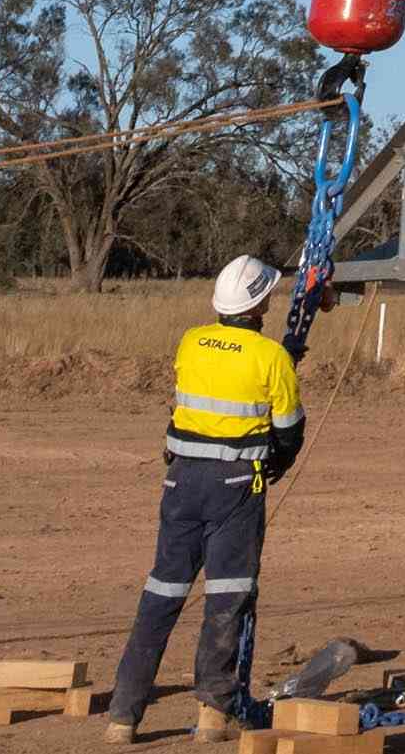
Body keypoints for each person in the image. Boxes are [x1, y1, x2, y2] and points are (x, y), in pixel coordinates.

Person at [112, 253, 306, 737]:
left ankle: (122, 717)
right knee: (227, 598)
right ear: (260, 305)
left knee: (161, 596)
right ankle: (212, 715)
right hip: (235, 488)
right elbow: (289, 431)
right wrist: (273, 466)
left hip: (180, 483)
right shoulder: (272, 358)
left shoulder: (191, 342)